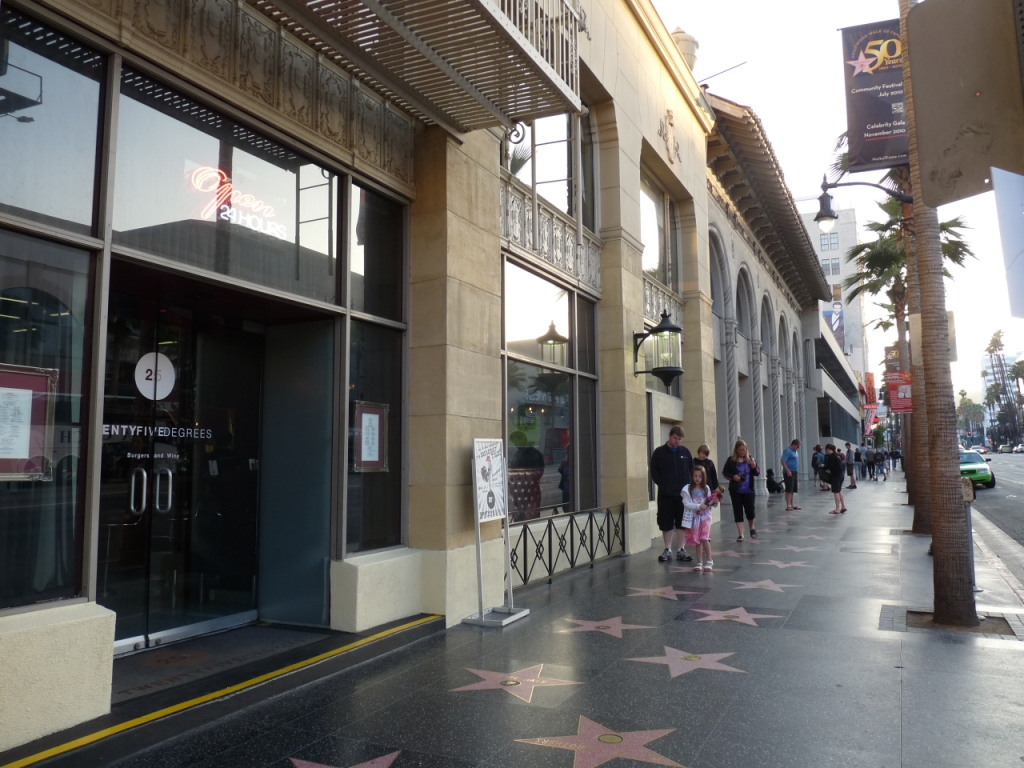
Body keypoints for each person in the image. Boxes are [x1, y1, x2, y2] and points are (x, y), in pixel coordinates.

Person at [649, 425, 694, 562]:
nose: (677, 441)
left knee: (682, 523)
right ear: (669, 436)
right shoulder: (659, 452)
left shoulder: (685, 452)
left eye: (679, 439)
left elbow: (691, 470)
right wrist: (662, 484)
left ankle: (681, 549)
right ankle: (667, 549)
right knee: (666, 522)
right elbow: (654, 471)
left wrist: (690, 488)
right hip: (666, 495)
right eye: (675, 438)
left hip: (683, 496)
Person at [722, 439, 760, 541]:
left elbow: (757, 472)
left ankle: (752, 527)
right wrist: (733, 477)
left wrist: (754, 466)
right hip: (736, 491)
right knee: (738, 511)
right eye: (740, 450)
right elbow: (724, 472)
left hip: (749, 490)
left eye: (744, 450)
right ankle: (741, 534)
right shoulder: (731, 460)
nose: (742, 452)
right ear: (736, 450)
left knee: (750, 510)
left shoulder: (750, 459)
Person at [682, 466, 716, 572]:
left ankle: (709, 560)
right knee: (697, 540)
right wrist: (698, 507)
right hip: (695, 517)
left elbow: (710, 501)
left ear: (703, 477)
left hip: (705, 517)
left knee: (704, 538)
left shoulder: (706, 488)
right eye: (695, 476)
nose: (697, 478)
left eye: (700, 476)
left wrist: (706, 507)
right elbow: (687, 503)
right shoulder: (689, 489)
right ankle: (700, 561)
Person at [824, 444, 847, 514]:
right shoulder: (837, 455)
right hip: (841, 475)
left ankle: (837, 509)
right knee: (839, 490)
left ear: (829, 449)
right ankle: (843, 506)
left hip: (836, 476)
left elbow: (831, 467)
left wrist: (824, 466)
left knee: (836, 492)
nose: (826, 452)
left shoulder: (831, 457)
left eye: (826, 450)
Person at [780, 439, 801, 511]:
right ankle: (788, 504)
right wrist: (787, 470)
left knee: (793, 488)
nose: (798, 447)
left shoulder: (795, 452)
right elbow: (783, 461)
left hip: (795, 471)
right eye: (798, 446)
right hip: (789, 471)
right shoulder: (788, 451)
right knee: (789, 488)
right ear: (794, 445)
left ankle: (792, 503)